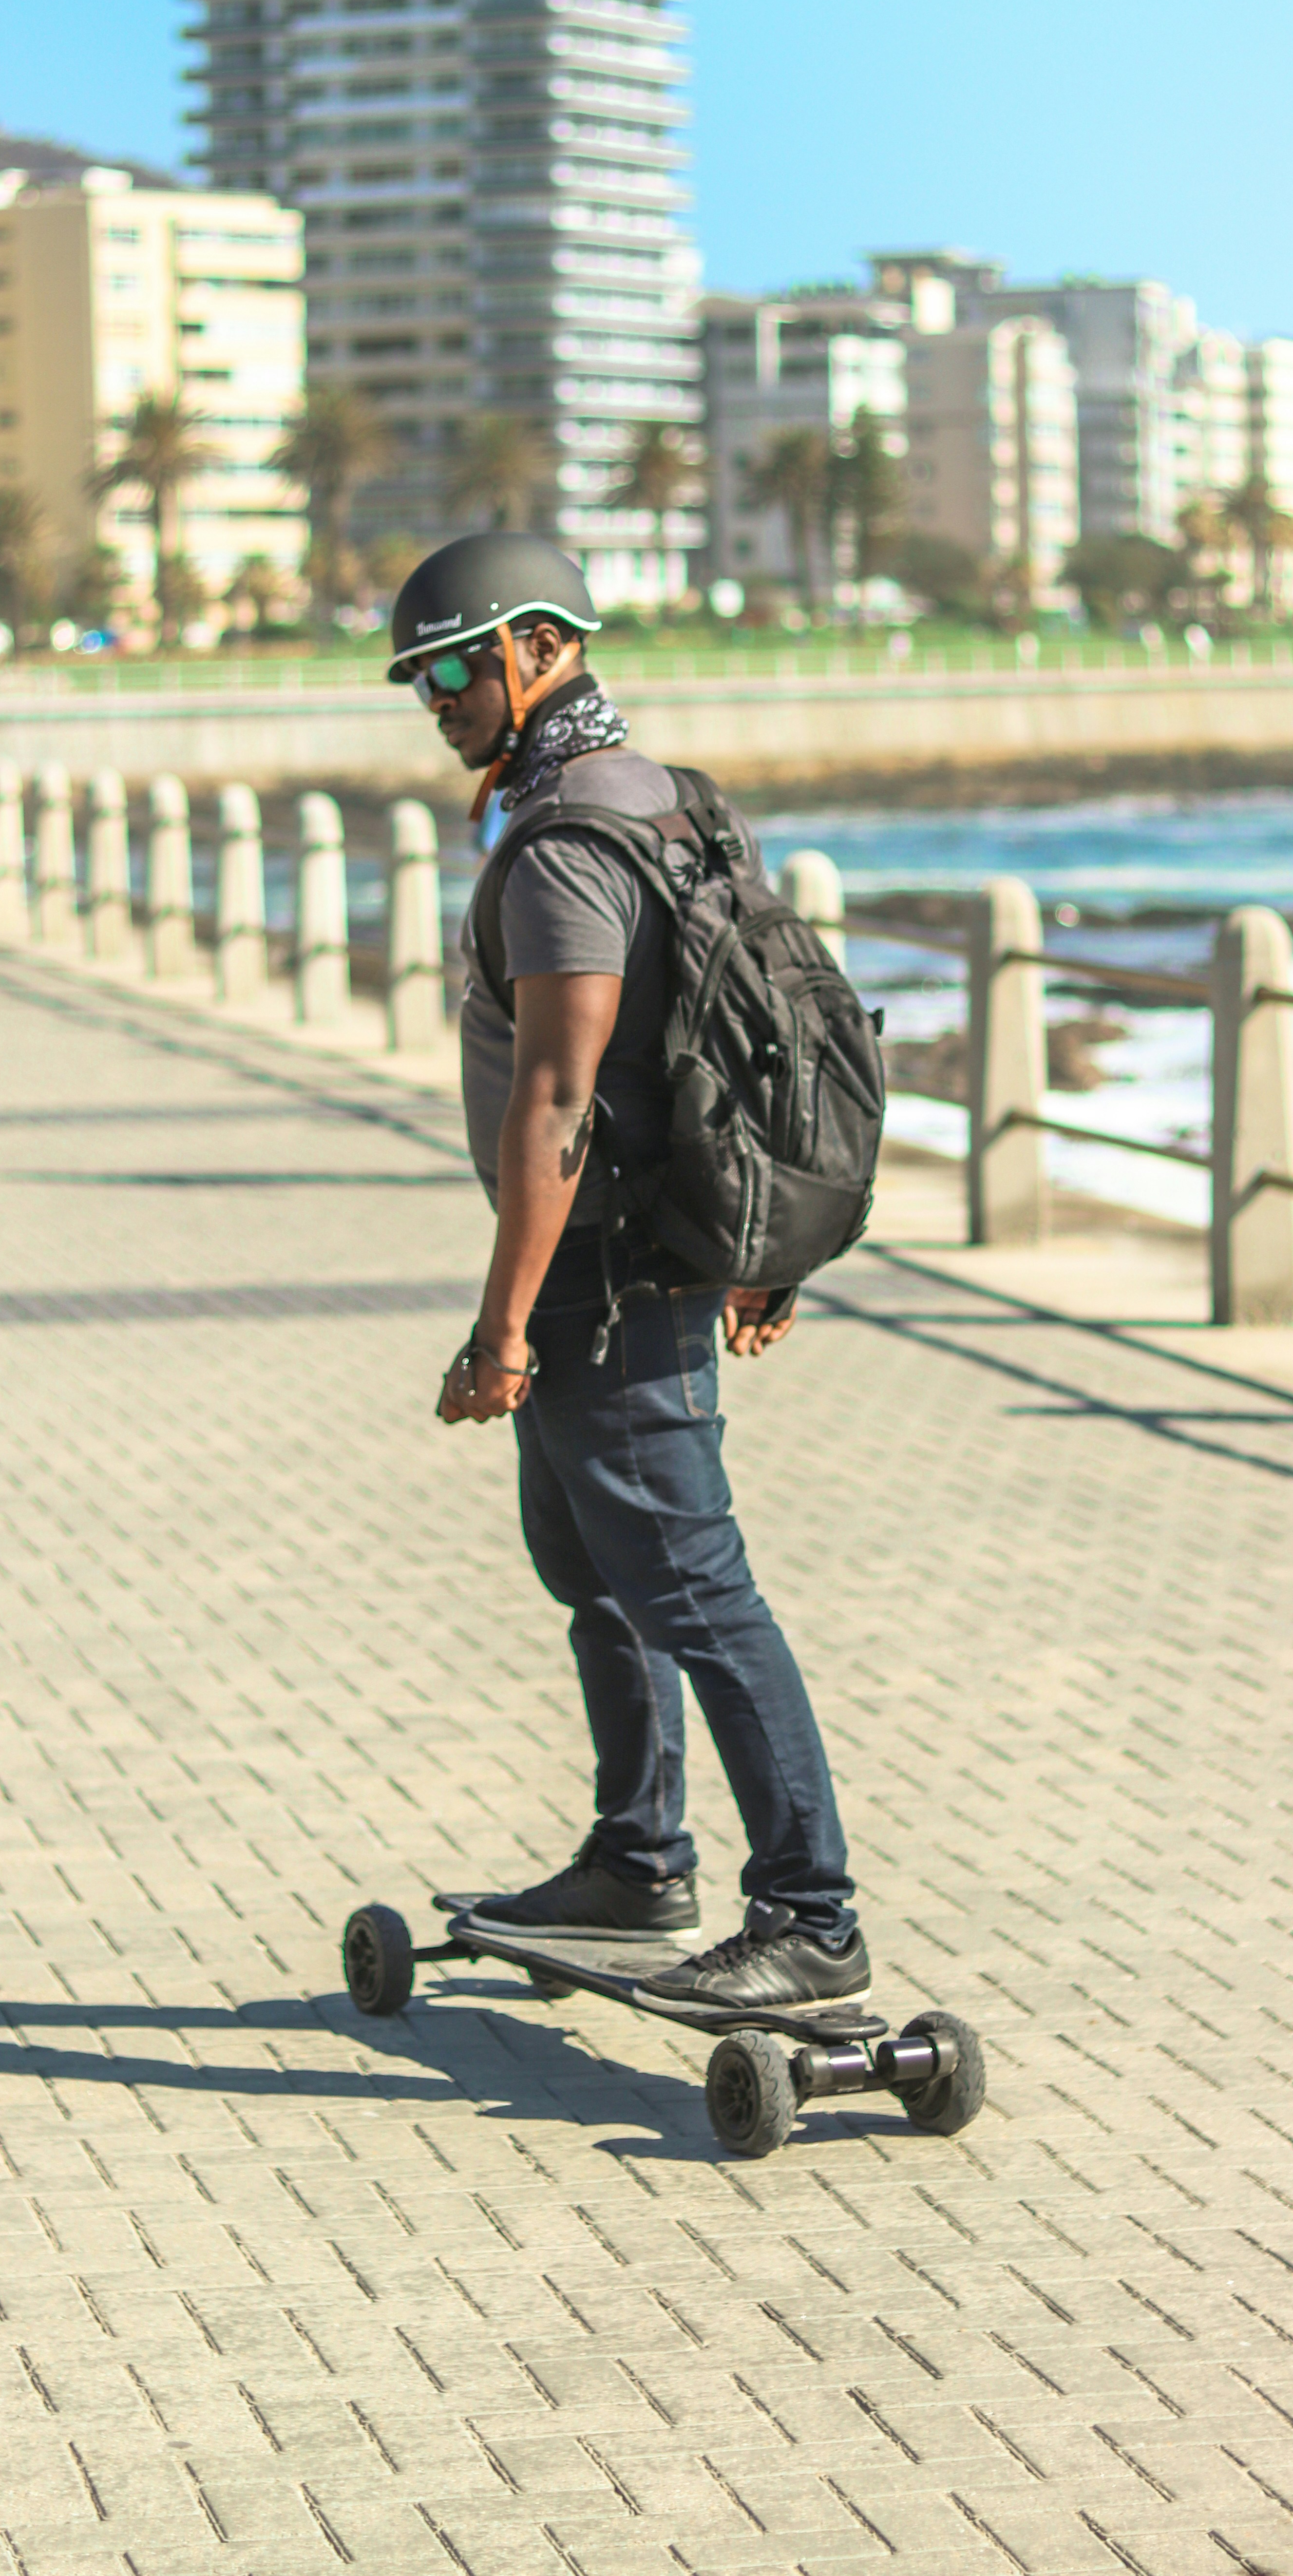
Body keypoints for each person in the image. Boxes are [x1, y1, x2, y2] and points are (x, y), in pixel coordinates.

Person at [388, 532, 867, 2014]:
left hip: (603, 1277)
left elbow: (558, 1097)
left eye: (456, 667)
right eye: (420, 681)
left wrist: (501, 1330)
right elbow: (744, 1039)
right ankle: (639, 1857)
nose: (439, 700)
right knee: (596, 1569)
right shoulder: (674, 802)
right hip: (649, 1254)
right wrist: (760, 1248)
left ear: (541, 647)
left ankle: (810, 1916)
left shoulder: (564, 849)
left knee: (696, 1591)